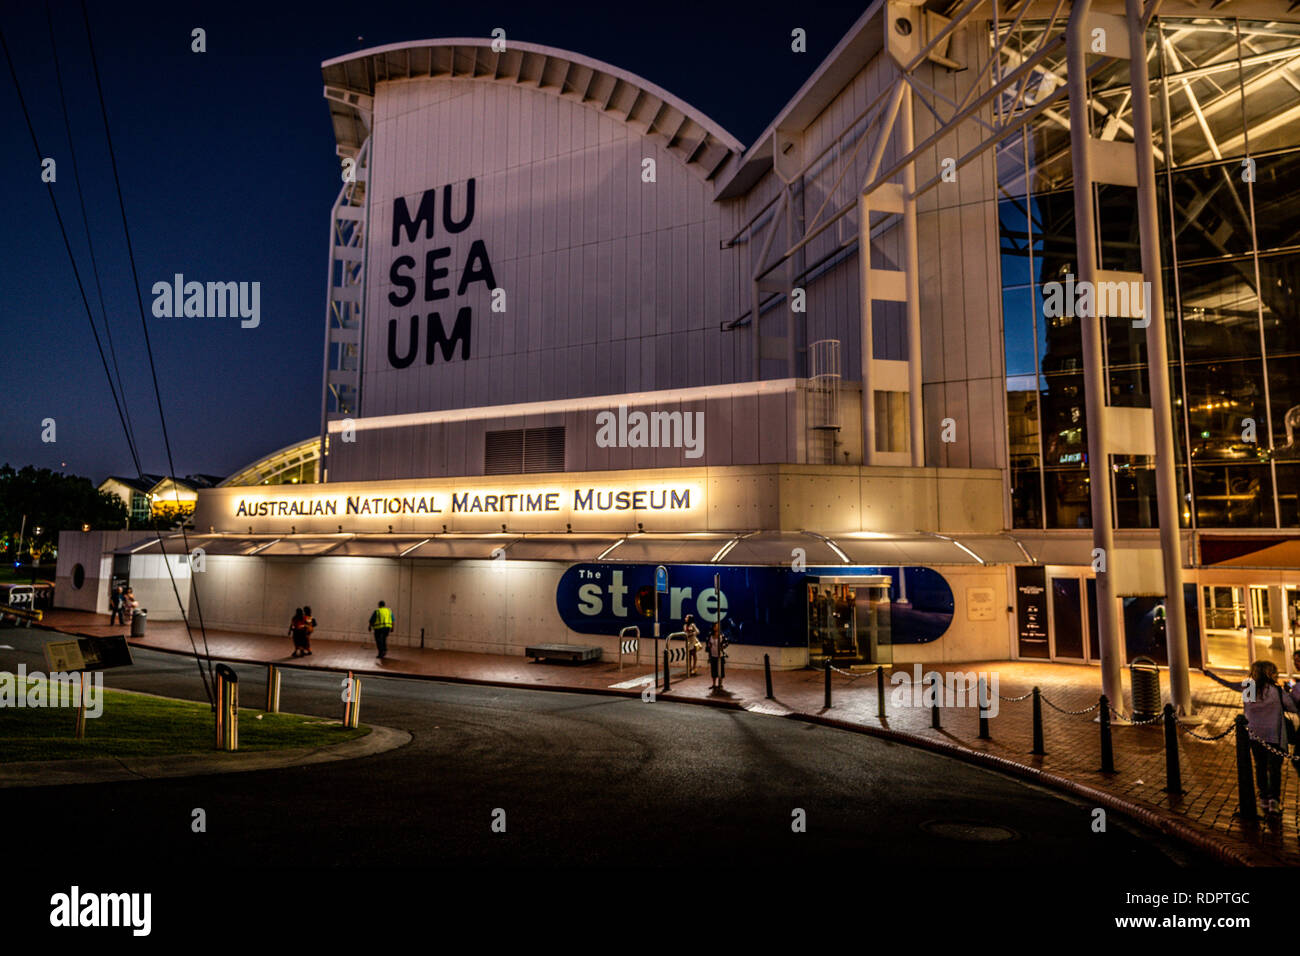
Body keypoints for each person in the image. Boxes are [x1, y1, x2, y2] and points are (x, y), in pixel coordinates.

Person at [1243, 659, 1298, 815]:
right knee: (1274, 769)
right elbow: (1292, 708)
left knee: (1260, 766)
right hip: (1274, 735)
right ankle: (1274, 800)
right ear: (1270, 673)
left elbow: (1247, 709)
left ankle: (1263, 798)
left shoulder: (1249, 687)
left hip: (1254, 734)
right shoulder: (1277, 691)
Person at [706, 616, 727, 691]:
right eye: (716, 626)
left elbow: (726, 643)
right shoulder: (710, 635)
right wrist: (709, 646)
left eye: (718, 626)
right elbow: (708, 645)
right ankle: (714, 684)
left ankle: (720, 684)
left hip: (720, 656)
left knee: (720, 670)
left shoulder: (722, 636)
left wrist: (723, 647)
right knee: (713, 670)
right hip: (713, 655)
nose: (717, 627)